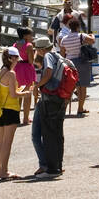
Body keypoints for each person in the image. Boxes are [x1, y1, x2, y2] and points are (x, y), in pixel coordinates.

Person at [33, 35, 71, 177]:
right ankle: (57, 166)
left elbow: (48, 72)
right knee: (57, 134)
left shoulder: (48, 56)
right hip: (60, 99)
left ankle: (50, 168)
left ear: (42, 50)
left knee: (47, 134)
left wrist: (38, 85)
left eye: (37, 49)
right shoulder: (59, 56)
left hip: (50, 99)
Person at [0, 47, 29, 182]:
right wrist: (26, 93)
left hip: (0, 109)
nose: (18, 60)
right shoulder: (11, 74)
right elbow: (14, 94)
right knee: (8, 142)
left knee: (0, 141)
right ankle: (4, 171)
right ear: (11, 59)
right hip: (11, 109)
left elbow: (7, 90)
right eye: (17, 58)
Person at [58, 15, 94, 117]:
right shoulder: (81, 36)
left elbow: (62, 52)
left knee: (73, 86)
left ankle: (63, 108)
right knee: (83, 86)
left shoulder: (64, 39)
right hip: (82, 61)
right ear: (78, 27)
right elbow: (92, 40)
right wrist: (92, 35)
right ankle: (80, 108)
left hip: (70, 63)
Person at [12, 28, 37, 126]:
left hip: (17, 68)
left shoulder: (15, 45)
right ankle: (26, 119)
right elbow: (31, 61)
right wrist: (35, 53)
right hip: (27, 69)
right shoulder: (29, 45)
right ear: (25, 36)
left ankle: (16, 118)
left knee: (19, 94)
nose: (32, 37)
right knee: (27, 95)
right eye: (30, 35)